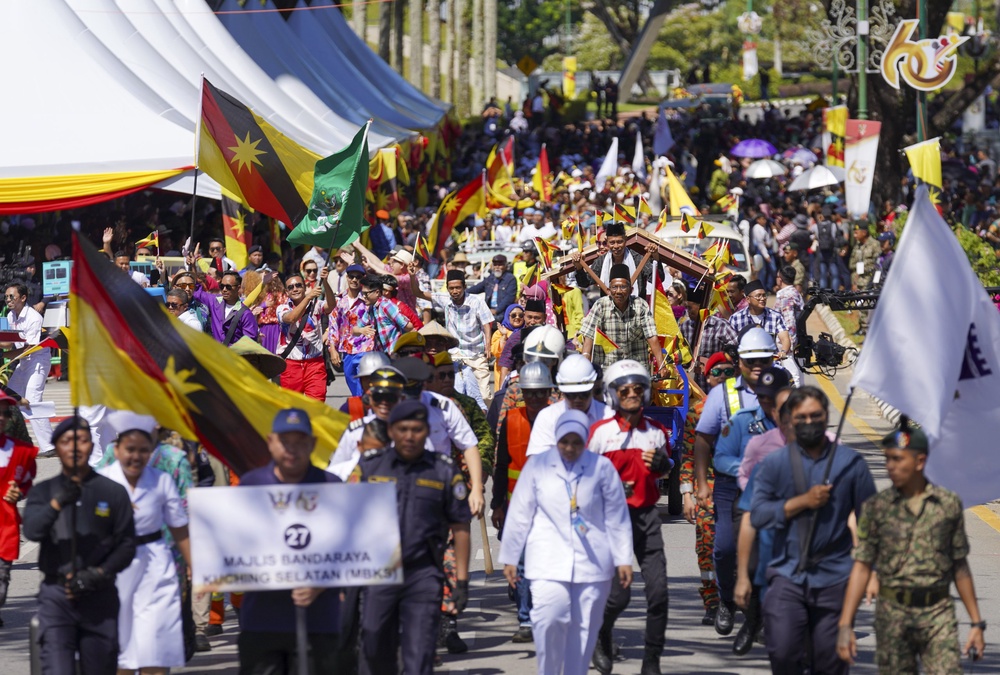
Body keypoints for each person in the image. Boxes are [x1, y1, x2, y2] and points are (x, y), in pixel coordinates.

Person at [838, 422, 986, 672]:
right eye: (888, 459)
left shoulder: (947, 505)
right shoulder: (877, 507)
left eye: (897, 459)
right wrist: (845, 624)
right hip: (892, 617)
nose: (890, 466)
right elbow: (862, 566)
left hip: (937, 614)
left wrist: (976, 623)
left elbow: (959, 565)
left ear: (920, 462)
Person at [750, 386, 876, 675]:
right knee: (782, 652)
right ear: (790, 420)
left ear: (827, 416)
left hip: (835, 578)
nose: (809, 422)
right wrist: (800, 502)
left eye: (816, 416)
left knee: (830, 663)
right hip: (786, 575)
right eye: (802, 417)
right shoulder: (774, 464)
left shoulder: (851, 463)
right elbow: (758, 515)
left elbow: (872, 523)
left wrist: (872, 571)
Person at [498, 410, 633, 675]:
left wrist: (623, 558)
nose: (570, 448)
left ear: (585, 440)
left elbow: (617, 516)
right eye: (564, 442)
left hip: (592, 564)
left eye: (576, 442)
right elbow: (519, 512)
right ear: (556, 439)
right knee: (548, 619)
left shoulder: (601, 468)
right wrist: (511, 556)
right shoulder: (537, 466)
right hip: (546, 561)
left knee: (585, 629)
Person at [349, 400, 472, 675]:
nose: (409, 436)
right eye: (403, 429)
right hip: (379, 573)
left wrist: (462, 582)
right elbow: (349, 519)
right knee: (373, 649)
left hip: (423, 574)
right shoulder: (371, 467)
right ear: (391, 430)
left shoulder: (443, 470)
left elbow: (460, 526)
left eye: (416, 429)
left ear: (426, 431)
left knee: (420, 653)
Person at [22, 417, 136, 675]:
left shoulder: (112, 491)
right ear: (56, 447)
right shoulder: (44, 492)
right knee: (57, 668)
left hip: (99, 593)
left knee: (100, 666)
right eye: (67, 442)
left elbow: (126, 545)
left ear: (91, 445)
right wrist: (56, 503)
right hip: (57, 595)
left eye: (82, 441)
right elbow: (32, 531)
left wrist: (98, 574)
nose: (75, 448)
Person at [238, 409, 342, 674]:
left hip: (320, 622)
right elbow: (236, 547)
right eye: (285, 441)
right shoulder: (251, 485)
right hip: (261, 621)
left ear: (313, 444)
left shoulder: (332, 486)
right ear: (270, 442)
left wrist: (320, 584)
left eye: (300, 442)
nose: (292, 449)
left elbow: (352, 553)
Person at [589, 360, 673, 675]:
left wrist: (664, 465)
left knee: (659, 593)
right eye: (624, 390)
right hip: (610, 522)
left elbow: (665, 469)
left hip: (646, 519)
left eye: (638, 388)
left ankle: (652, 661)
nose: (632, 394)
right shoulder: (600, 433)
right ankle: (601, 633)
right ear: (613, 394)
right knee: (618, 597)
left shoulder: (656, 432)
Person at [692, 327, 771, 635]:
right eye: (751, 361)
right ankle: (725, 600)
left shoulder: (782, 392)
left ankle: (758, 614)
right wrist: (701, 484)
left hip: (769, 486)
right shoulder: (721, 394)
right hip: (729, 485)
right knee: (724, 548)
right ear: (740, 362)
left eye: (763, 360)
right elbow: (702, 440)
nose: (757, 367)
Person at [98, 412, 191, 674]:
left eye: (143, 450)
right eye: (130, 450)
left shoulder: (161, 480)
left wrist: (196, 569)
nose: (136, 457)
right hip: (115, 568)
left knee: (155, 646)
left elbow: (180, 528)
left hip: (156, 566)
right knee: (122, 649)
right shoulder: (103, 481)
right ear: (117, 450)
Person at [713, 366, 791, 655]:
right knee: (739, 557)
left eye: (773, 398)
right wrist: (748, 469)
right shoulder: (743, 421)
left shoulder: (800, 422)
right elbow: (721, 458)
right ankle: (745, 612)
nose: (767, 403)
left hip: (791, 503)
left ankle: (769, 620)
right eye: (762, 398)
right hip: (747, 498)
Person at [490, 361, 553, 644]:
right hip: (517, 506)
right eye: (530, 393)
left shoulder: (559, 421)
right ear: (522, 393)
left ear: (549, 392)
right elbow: (502, 465)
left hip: (552, 508)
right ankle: (526, 618)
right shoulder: (512, 420)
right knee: (522, 565)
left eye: (541, 392)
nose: (536, 398)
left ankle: (541, 614)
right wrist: (497, 504)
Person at [680, 351, 734, 626]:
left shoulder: (745, 408)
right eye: (717, 372)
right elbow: (688, 455)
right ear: (708, 377)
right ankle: (713, 602)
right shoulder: (697, 412)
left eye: (728, 372)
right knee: (706, 546)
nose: (722, 376)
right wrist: (687, 494)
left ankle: (737, 599)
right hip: (707, 488)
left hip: (738, 488)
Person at [410, 268, 495, 405]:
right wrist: (412, 275)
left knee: (484, 395)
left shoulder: (477, 301)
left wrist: (488, 347)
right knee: (456, 394)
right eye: (451, 288)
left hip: (475, 354)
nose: (455, 291)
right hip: (454, 354)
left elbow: (486, 324)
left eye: (458, 288)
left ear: (464, 287)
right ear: (447, 288)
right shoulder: (444, 299)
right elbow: (417, 293)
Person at [578, 264, 667, 377]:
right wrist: (585, 363)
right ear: (609, 290)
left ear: (631, 290)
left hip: (635, 370)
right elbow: (589, 336)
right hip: (607, 371)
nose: (618, 291)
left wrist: (661, 365)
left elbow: (652, 336)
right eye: (614, 287)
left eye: (623, 287)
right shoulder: (600, 305)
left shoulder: (640, 305)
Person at [2, 282, 54, 454]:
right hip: (23, 361)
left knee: (32, 400)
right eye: (6, 296)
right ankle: (13, 440)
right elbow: (10, 342)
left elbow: (29, 348)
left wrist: (4, 355)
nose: (8, 300)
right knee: (9, 398)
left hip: (37, 361)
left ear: (23, 298)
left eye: (12, 296)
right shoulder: (10, 315)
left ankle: (49, 446)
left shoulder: (34, 317)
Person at [0, 392, 37, 627]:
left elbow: (27, 476)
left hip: (5, 526)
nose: (1, 418)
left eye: (4, 413)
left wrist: (20, 491)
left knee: (1, 583)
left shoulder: (20, 450)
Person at [525, 353, 609, 457]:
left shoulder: (608, 415)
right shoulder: (548, 417)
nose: (577, 400)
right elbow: (537, 460)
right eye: (571, 395)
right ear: (563, 393)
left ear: (592, 389)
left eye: (583, 394)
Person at [278, 272, 335, 400]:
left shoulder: (317, 304)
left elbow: (331, 305)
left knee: (316, 403)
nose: (295, 289)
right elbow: (291, 318)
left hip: (315, 363)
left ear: (304, 287)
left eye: (298, 285)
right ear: (287, 292)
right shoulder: (282, 308)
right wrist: (308, 298)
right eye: (291, 287)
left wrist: (325, 282)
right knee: (292, 404)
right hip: (291, 365)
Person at [572, 222, 656, 298]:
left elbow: (655, 278)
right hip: (609, 308)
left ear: (625, 240)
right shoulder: (602, 261)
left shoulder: (637, 258)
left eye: (619, 242)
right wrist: (579, 267)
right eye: (612, 243)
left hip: (635, 307)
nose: (616, 246)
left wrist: (655, 256)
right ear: (607, 242)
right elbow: (584, 283)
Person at [328, 264, 370, 396]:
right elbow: (333, 326)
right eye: (351, 276)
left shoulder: (368, 300)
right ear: (347, 277)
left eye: (358, 277)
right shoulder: (338, 300)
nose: (354, 280)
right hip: (347, 351)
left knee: (364, 389)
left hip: (365, 349)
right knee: (354, 389)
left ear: (363, 278)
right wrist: (332, 349)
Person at [728, 280, 791, 358]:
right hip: (745, 360)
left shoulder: (775, 316)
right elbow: (731, 343)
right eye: (758, 296)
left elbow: (785, 339)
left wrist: (783, 352)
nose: (762, 298)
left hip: (770, 360)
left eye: (764, 295)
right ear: (748, 299)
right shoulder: (736, 318)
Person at [193, 271, 259, 346]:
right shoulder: (215, 302)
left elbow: (250, 343)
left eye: (228, 287)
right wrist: (192, 272)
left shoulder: (245, 314)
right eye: (222, 286)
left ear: (238, 288)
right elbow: (197, 293)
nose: (224, 289)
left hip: (232, 353)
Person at [356, 274, 413, 354]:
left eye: (366, 294)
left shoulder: (386, 306)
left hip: (394, 352)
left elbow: (409, 326)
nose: (364, 297)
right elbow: (355, 329)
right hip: (381, 354)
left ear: (377, 292)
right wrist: (361, 330)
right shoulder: (371, 309)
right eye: (362, 293)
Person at [340, 352, 392, 421]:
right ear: (361, 381)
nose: (371, 384)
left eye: (377, 378)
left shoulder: (400, 406)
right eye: (367, 379)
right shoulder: (349, 408)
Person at [849, 223, 880, 335]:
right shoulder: (858, 246)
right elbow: (852, 263)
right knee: (860, 305)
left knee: (867, 305)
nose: (855, 235)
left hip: (869, 280)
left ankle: (867, 328)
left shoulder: (875, 245)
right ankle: (862, 327)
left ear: (864, 232)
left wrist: (864, 269)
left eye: (857, 232)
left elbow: (877, 263)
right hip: (858, 280)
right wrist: (854, 281)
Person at [468, 254, 517, 321]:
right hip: (489, 311)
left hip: (503, 313)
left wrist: (497, 310)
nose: (497, 267)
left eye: (500, 265)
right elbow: (477, 288)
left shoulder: (510, 279)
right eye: (495, 265)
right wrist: (463, 292)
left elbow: (509, 298)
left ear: (505, 266)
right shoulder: (490, 278)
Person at [491, 304, 524, 389]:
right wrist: (504, 337)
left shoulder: (525, 332)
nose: (517, 317)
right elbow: (496, 352)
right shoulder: (499, 332)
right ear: (507, 316)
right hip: (502, 372)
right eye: (513, 315)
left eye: (521, 315)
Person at [773, 267, 804, 349]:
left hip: (785, 344)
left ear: (780, 279)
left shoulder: (786, 297)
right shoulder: (795, 292)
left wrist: (787, 346)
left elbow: (790, 323)